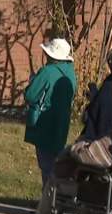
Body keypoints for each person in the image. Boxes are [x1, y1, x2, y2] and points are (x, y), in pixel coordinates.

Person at [24, 37, 77, 187]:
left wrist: (32, 81)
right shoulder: (71, 73)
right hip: (62, 124)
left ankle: (48, 204)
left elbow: (30, 95)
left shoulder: (47, 72)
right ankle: (55, 201)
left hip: (44, 124)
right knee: (56, 164)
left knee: (46, 167)